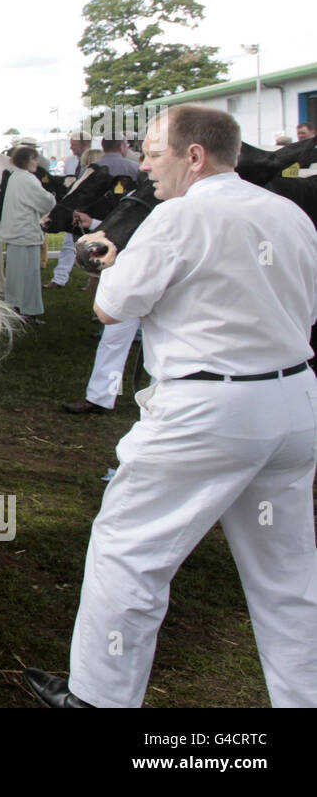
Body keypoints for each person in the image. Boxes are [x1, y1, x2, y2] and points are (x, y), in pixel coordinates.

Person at [26, 105, 317, 709]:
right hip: (291, 401)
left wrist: (101, 260)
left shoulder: (177, 217)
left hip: (208, 411)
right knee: (286, 574)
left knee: (129, 549)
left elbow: (114, 308)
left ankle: (99, 697)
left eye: (155, 152)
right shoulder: (290, 214)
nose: (144, 166)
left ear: (194, 155)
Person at [1, 146, 55, 324]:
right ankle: (26, 311)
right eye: (34, 158)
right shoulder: (28, 179)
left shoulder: (15, 177)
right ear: (25, 160)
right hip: (24, 233)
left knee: (16, 275)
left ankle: (16, 308)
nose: (37, 162)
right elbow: (45, 202)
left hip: (17, 232)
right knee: (28, 276)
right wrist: (52, 197)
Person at [44, 134, 90, 290]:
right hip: (72, 210)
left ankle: (93, 282)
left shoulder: (95, 160)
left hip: (90, 212)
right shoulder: (70, 161)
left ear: (84, 144)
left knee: (93, 246)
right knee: (69, 245)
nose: (70, 147)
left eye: (74, 144)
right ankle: (59, 278)